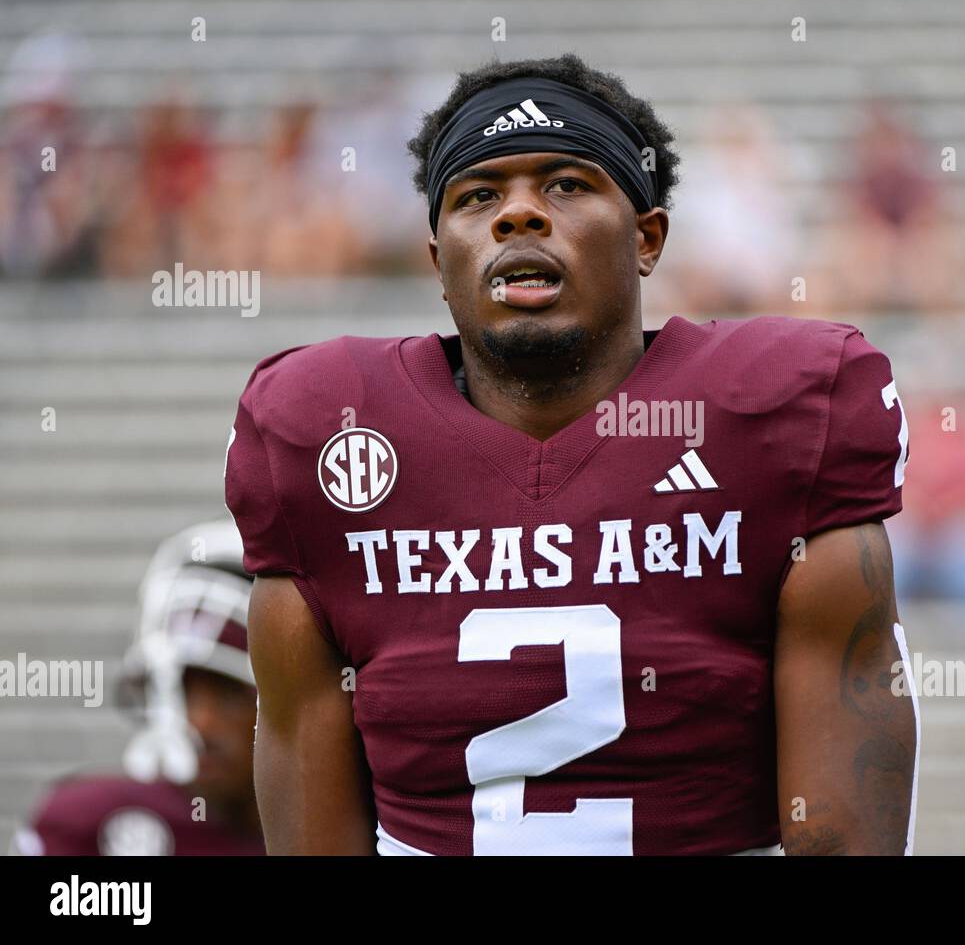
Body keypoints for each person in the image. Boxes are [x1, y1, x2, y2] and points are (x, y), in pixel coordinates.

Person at [225, 53, 918, 856]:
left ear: (648, 238)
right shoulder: (326, 434)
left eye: (567, 185)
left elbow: (839, 837)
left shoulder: (775, 420)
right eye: (478, 195)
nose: (519, 215)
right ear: (438, 260)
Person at [11, 520, 263, 856]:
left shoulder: (343, 829)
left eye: (230, 694)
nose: (200, 722)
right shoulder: (92, 824)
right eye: (181, 691)